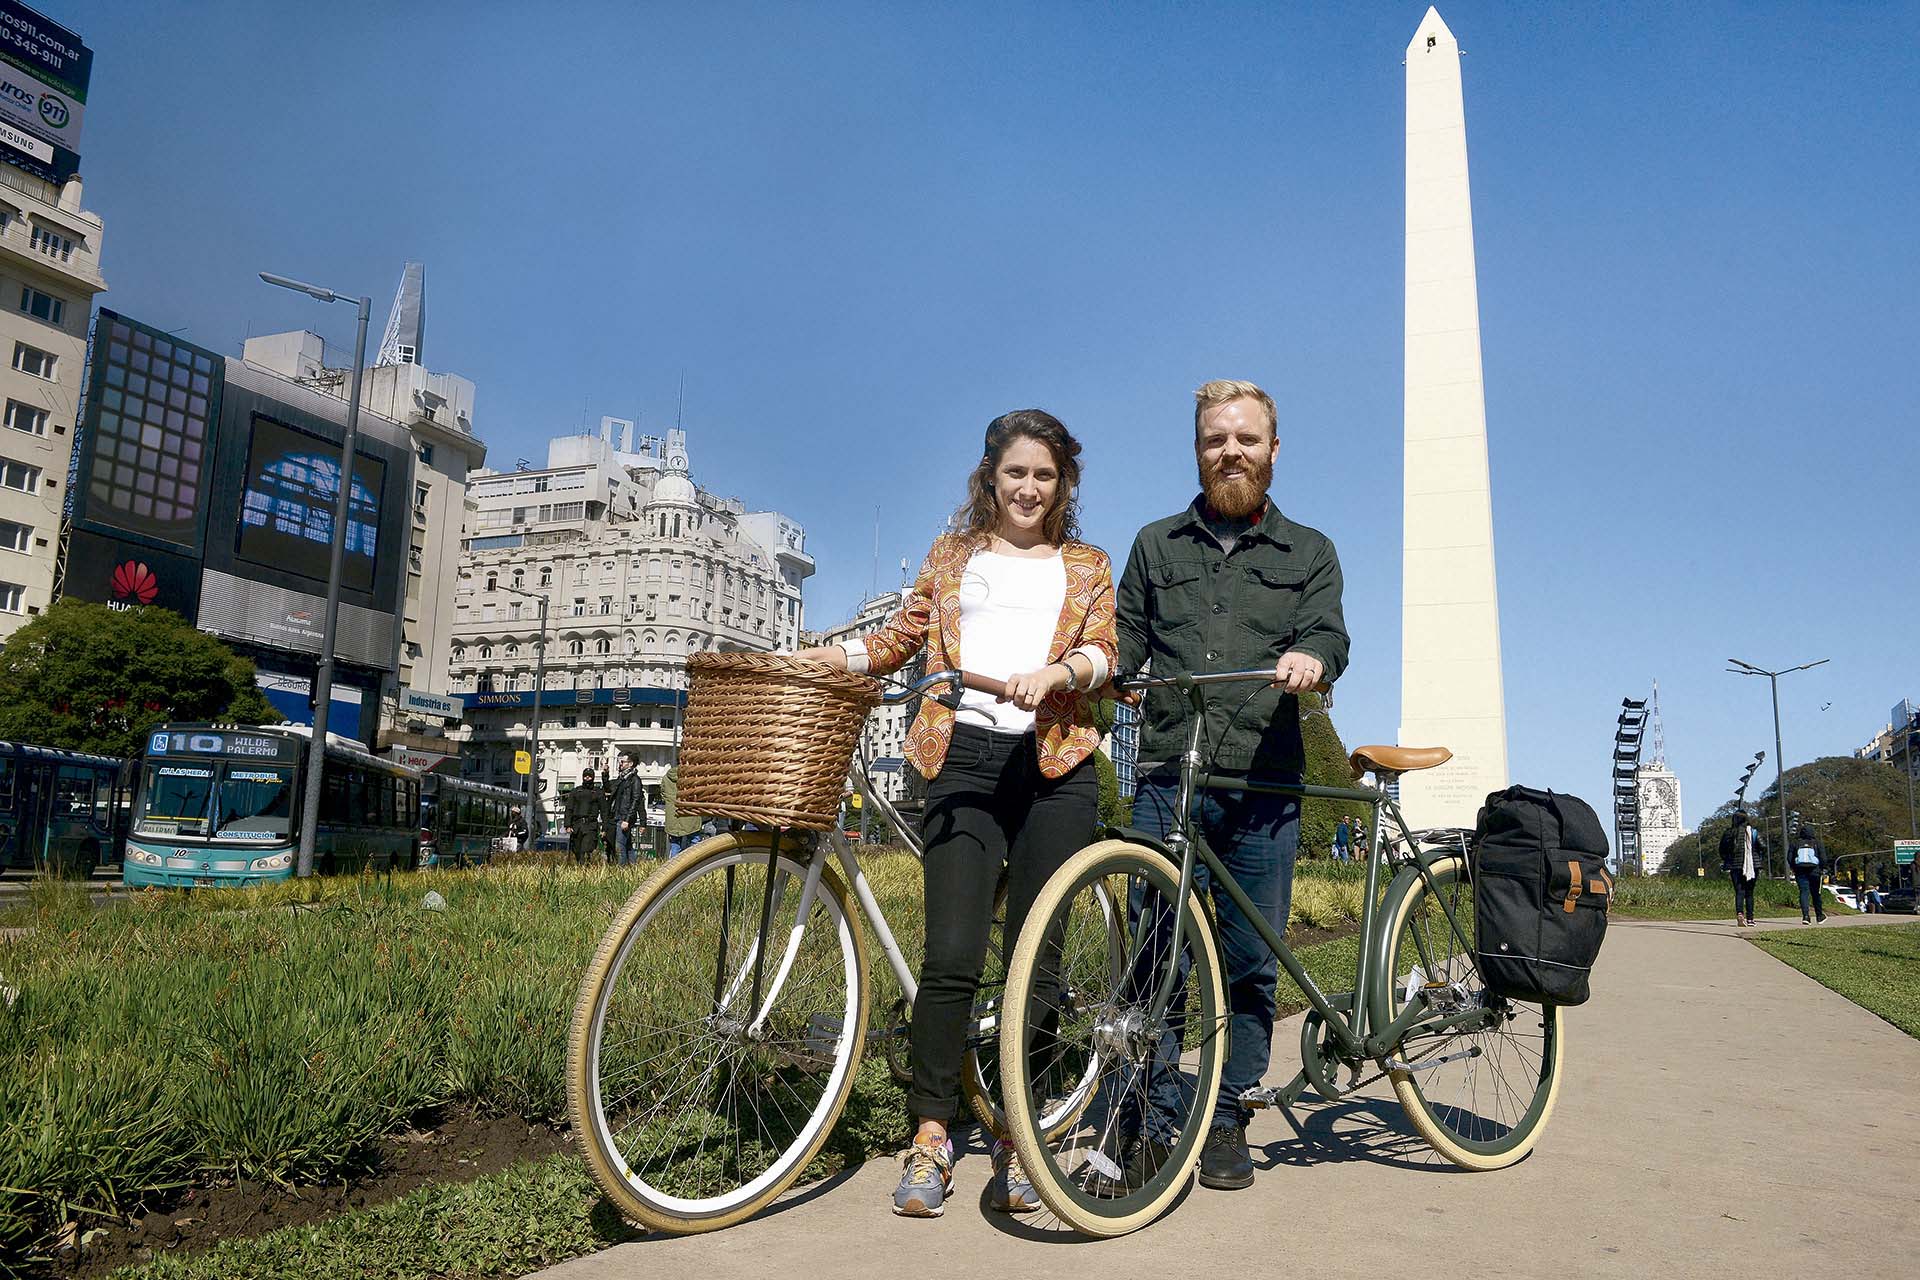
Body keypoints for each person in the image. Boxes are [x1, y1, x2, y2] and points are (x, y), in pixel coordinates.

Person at [794, 408, 1116, 1220]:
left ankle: (1019, 1138)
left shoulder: (1086, 565)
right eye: (1016, 472)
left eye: (1045, 475)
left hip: (1055, 766)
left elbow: (1107, 655)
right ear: (991, 475)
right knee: (952, 956)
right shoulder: (953, 558)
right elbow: (901, 636)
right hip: (964, 757)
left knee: (1038, 958)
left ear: (1063, 484)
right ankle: (932, 1134)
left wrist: (1059, 670)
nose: (1029, 488)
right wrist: (835, 656)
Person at [1099, 378, 1349, 1195]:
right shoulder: (1154, 543)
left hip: (1260, 788)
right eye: (1215, 439)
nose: (1230, 452)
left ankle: (1232, 1115)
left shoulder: (1308, 551)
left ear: (1274, 451)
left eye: (1246, 439)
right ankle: (1152, 1114)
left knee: (1248, 966)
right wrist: (1104, 671)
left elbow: (1327, 633)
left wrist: (1312, 659)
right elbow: (1125, 636)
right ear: (1198, 449)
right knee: (1151, 960)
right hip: (1167, 778)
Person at [1718, 811, 1764, 927]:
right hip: (1753, 865)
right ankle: (1750, 918)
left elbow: (1721, 849)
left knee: (1739, 891)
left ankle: (1740, 914)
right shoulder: (1753, 832)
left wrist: (1727, 859)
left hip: (1735, 866)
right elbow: (1763, 846)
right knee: (1749, 892)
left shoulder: (1729, 833)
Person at [565, 768, 609, 866]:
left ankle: (584, 870)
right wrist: (568, 825)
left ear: (593, 777)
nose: (587, 778)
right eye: (585, 776)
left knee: (586, 850)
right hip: (577, 825)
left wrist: (604, 828)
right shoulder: (576, 791)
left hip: (590, 825)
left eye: (589, 776)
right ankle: (579, 870)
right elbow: (569, 808)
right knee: (577, 851)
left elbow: (604, 811)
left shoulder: (598, 792)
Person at [608, 755, 644, 865]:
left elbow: (636, 800)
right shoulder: (622, 779)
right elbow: (609, 789)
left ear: (631, 763)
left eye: (623, 762)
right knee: (627, 845)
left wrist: (627, 819)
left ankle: (621, 869)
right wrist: (605, 774)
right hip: (618, 815)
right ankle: (632, 868)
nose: (620, 764)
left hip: (624, 817)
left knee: (620, 846)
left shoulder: (635, 780)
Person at [1790, 825, 1827, 923]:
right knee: (1816, 894)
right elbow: (1823, 858)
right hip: (1815, 871)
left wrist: (1794, 868)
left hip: (1800, 871)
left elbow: (1789, 858)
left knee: (1804, 892)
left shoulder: (1795, 843)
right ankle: (1819, 915)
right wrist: (1822, 868)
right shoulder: (1817, 843)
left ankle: (1806, 916)